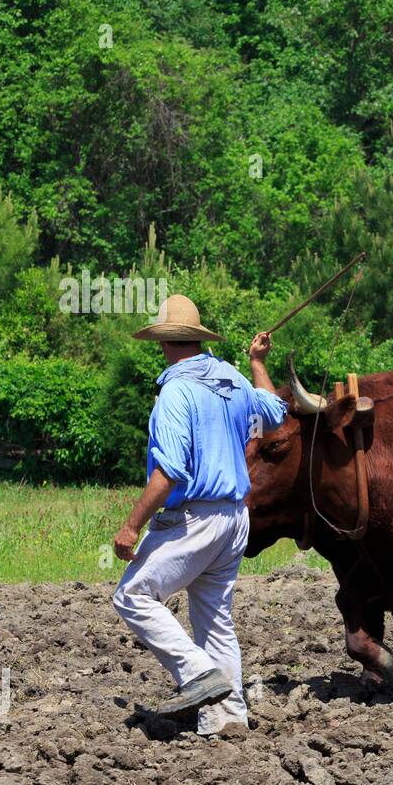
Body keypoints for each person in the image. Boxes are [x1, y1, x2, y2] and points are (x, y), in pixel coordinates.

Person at [111, 294, 286, 735]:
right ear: (197, 337)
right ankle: (227, 718)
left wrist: (131, 526)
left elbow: (168, 473)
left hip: (194, 520)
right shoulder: (230, 376)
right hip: (234, 518)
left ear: (163, 342)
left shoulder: (175, 392)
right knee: (214, 618)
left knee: (132, 596)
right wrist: (257, 363)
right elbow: (275, 414)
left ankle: (197, 673)